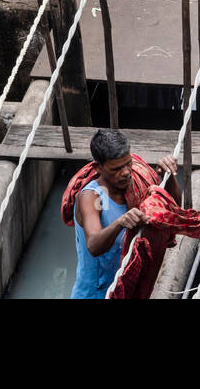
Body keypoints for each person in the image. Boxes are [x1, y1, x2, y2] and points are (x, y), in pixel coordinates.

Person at [70, 128, 180, 299]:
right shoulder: (93, 197)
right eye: (116, 169)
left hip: (129, 286)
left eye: (128, 163)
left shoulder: (137, 183)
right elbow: (93, 245)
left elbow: (174, 209)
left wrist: (170, 177)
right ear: (98, 167)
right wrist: (120, 222)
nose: (126, 172)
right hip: (96, 293)